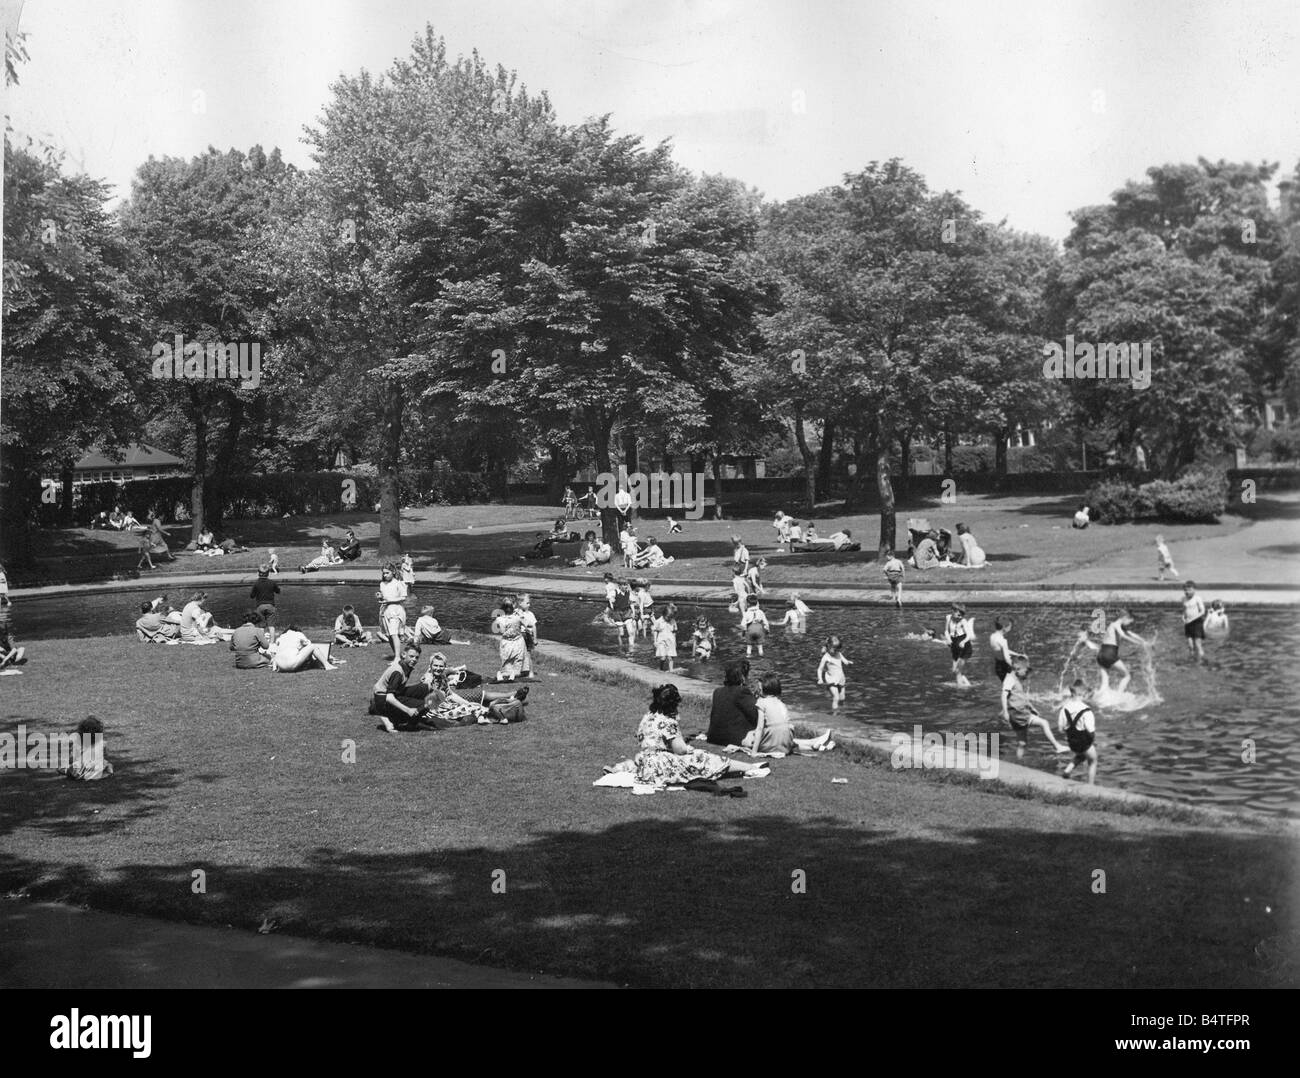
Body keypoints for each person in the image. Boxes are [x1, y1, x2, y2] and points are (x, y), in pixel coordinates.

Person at [635, 684, 770, 787]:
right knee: (701, 758)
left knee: (699, 757)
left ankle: (748, 768)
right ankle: (749, 768)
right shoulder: (668, 721)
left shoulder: (648, 716)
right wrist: (689, 748)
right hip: (661, 765)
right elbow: (679, 749)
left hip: (645, 763)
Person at [748, 674, 835, 756]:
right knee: (780, 734)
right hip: (786, 746)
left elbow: (759, 728)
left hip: (769, 747)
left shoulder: (761, 702)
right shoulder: (781, 703)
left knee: (752, 736)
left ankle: (816, 744)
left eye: (760, 688)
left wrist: (754, 752)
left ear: (766, 689)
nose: (758, 691)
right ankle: (816, 746)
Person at [1001, 658, 1068, 760]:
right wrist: (1005, 712)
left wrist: (1031, 707)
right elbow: (1003, 695)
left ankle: (1018, 762)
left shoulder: (1015, 679)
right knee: (1044, 723)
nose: (1026, 674)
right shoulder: (1010, 679)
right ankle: (1057, 746)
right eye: (1025, 671)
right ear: (1017, 668)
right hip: (1019, 713)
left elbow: (1021, 696)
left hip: (1018, 714)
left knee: (1022, 742)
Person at [1081, 610, 1144, 694]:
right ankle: (1118, 696)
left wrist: (1144, 642)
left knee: (1105, 683)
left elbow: (1131, 634)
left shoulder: (1114, 626)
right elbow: (1123, 635)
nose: (1129, 624)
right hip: (1109, 654)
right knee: (1127, 675)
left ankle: (1094, 696)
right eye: (1129, 622)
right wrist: (1138, 643)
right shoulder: (1116, 624)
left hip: (1101, 654)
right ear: (1125, 618)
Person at [371, 646, 431, 731]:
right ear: (403, 655)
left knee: (423, 688)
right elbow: (389, 697)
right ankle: (392, 718)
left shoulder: (405, 666)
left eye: (416, 657)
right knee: (424, 704)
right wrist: (408, 710)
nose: (414, 659)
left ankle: (394, 717)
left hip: (391, 695)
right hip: (383, 700)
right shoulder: (397, 672)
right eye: (411, 656)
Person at [706, 661, 759, 747]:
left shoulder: (717, 691)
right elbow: (756, 715)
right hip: (734, 738)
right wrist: (758, 699)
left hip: (714, 737)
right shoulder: (742, 692)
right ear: (742, 677)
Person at [1057, 679, 1098, 784]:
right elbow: (1091, 730)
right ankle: (1091, 785)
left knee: (1081, 755)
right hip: (1084, 742)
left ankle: (1068, 770)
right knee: (1093, 760)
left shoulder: (1064, 709)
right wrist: (1092, 740)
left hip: (1072, 742)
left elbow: (1060, 728)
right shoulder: (1086, 710)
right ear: (1083, 694)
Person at [58, 716, 113, 781]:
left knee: (63, 767)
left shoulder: (78, 744)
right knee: (107, 764)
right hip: (97, 769)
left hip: (81, 770)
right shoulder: (102, 744)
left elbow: (72, 758)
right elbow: (105, 755)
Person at [271, 623, 338, 672]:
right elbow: (309, 645)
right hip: (290, 664)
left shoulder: (281, 637)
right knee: (313, 647)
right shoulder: (299, 634)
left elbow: (275, 651)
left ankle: (275, 667)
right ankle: (327, 665)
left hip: (280, 665)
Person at [491, 598, 529, 681]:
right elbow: (526, 624)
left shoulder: (499, 619)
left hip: (506, 643)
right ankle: (513, 674)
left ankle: (504, 674)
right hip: (518, 642)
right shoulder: (518, 617)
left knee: (506, 662)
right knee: (518, 664)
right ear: (513, 607)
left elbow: (502, 631)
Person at [376, 567, 409, 656]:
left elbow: (403, 597)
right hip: (385, 610)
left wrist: (390, 601)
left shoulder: (398, 583)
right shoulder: (382, 584)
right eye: (383, 573)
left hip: (396, 610)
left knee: (394, 633)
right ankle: (397, 655)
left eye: (387, 573)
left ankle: (397, 658)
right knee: (389, 635)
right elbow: (384, 596)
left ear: (393, 572)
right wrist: (380, 596)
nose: (385, 575)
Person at [816, 635, 853, 711]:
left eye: (837, 649)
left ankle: (841, 709)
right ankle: (835, 714)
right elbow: (820, 669)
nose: (836, 651)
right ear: (829, 646)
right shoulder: (826, 657)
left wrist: (848, 663)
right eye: (834, 649)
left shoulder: (839, 654)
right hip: (831, 679)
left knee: (842, 697)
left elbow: (845, 661)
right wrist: (820, 679)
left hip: (840, 678)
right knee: (836, 697)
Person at [944, 602, 975, 687]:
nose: (960, 617)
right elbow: (946, 630)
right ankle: (968, 685)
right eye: (958, 614)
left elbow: (969, 635)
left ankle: (960, 689)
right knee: (954, 670)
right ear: (953, 611)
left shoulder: (963, 621)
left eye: (962, 614)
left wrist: (963, 641)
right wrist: (948, 638)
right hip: (954, 645)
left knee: (958, 670)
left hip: (965, 647)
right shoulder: (948, 618)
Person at [988, 617, 1026, 682]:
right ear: (1004, 627)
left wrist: (1017, 654)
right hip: (1005, 667)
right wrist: (1018, 668)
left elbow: (1002, 650)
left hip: (998, 667)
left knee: (1009, 688)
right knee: (1017, 689)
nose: (1010, 628)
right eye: (1010, 626)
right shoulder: (1003, 641)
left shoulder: (993, 636)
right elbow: (1007, 659)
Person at [0, 595, 27, 670]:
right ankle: (7, 661)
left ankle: (9, 661)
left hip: (9, 654)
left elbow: (14, 649)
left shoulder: (9, 635)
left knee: (21, 649)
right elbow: (9, 604)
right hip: (4, 653)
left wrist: (4, 596)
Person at [1182, 580, 1207, 660]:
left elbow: (1202, 611)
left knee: (1197, 644)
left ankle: (1201, 661)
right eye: (1185, 590)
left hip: (1197, 623)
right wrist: (1182, 616)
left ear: (1194, 590)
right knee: (1190, 645)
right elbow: (1184, 610)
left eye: (1189, 590)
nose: (1187, 592)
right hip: (1188, 623)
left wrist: (1192, 619)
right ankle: (1192, 659)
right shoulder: (1183, 599)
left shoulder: (1197, 599)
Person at [653, 602, 678, 672]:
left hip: (670, 641)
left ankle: (671, 670)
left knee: (670, 657)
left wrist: (675, 642)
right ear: (663, 614)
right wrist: (655, 641)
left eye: (671, 617)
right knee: (663, 657)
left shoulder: (673, 621)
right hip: (661, 641)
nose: (669, 619)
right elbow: (655, 631)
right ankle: (661, 667)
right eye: (668, 617)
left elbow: (674, 632)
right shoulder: (659, 621)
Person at [518, 594, 539, 666]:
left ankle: (530, 671)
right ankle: (520, 669)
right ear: (520, 603)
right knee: (519, 652)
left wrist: (535, 638)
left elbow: (534, 626)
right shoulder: (517, 613)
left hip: (527, 635)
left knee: (528, 653)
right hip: (519, 635)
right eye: (527, 603)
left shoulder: (530, 614)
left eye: (529, 603)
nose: (529, 605)